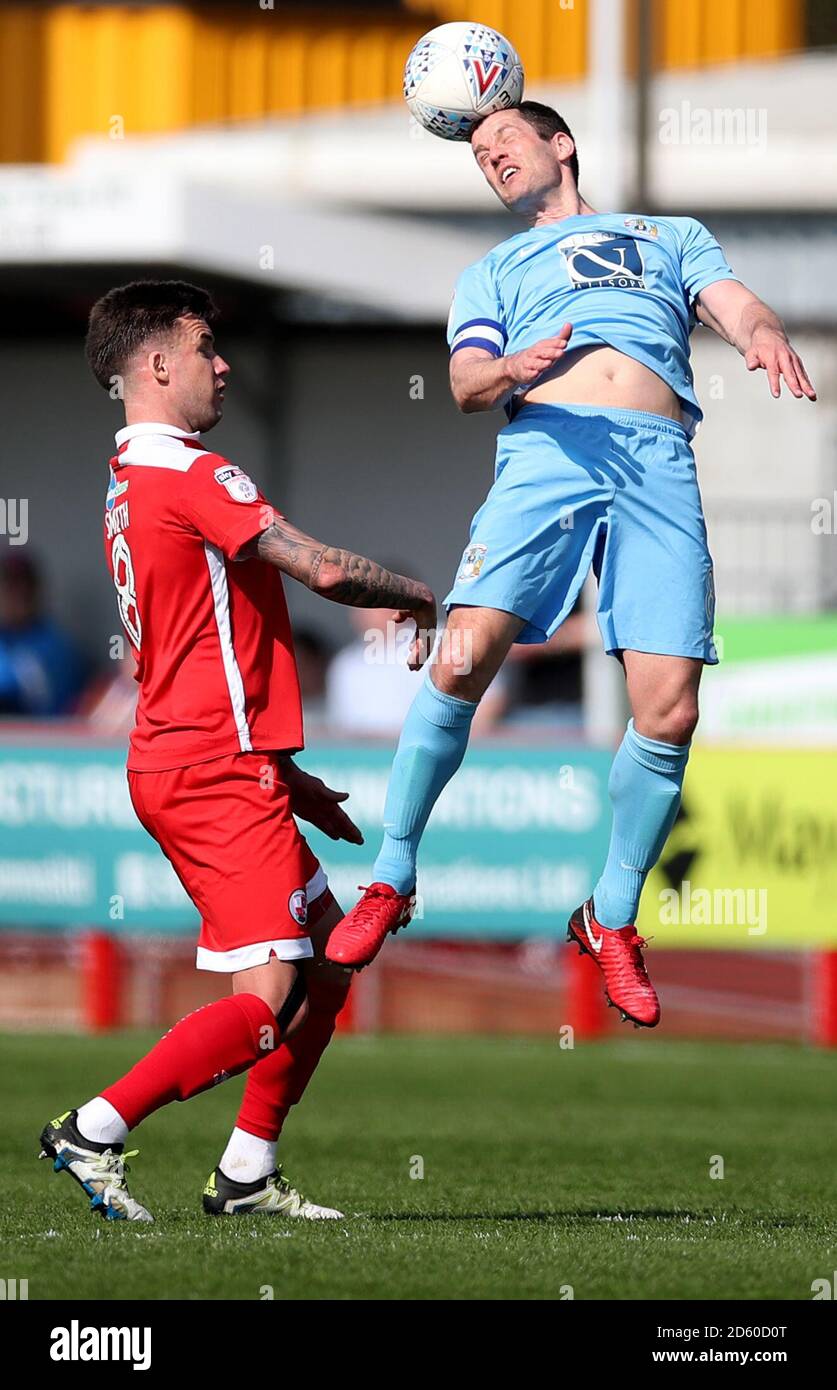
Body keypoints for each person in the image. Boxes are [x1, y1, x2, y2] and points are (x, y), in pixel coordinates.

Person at [326, 102, 816, 1029]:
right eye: (477, 154)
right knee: (462, 658)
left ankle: (612, 918)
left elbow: (730, 297)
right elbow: (465, 384)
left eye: (504, 139)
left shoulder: (668, 235)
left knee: (669, 705)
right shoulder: (491, 269)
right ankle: (392, 877)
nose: (491, 157)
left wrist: (756, 330)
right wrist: (514, 365)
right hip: (546, 449)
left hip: (657, 461)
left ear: (561, 144)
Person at [38, 279, 434, 1221]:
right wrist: (421, 594)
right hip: (208, 768)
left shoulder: (127, 483)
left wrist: (284, 774)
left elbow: (184, 647)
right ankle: (94, 1130)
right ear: (156, 363)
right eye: (206, 346)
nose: (225, 364)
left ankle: (247, 1173)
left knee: (328, 970)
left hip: (214, 759)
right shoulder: (194, 474)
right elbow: (327, 568)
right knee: (267, 1002)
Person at [0, 553, 86, 716]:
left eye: (24, 587)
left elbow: (18, 692)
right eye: (9, 587)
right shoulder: (4, 637)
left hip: (42, 736)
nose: (16, 596)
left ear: (35, 591)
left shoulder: (55, 646)